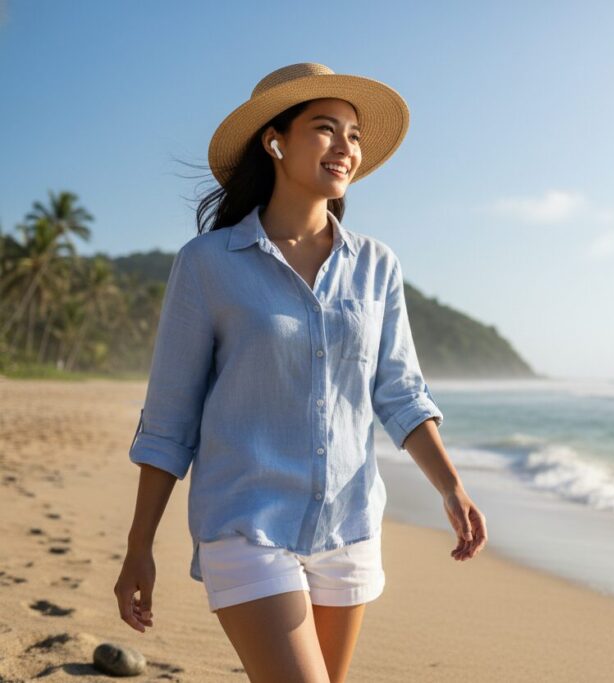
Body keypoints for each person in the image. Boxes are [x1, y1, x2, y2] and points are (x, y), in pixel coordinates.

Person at [113, 62, 488, 683]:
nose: (345, 147)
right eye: (325, 128)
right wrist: (138, 547)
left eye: (354, 134)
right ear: (275, 140)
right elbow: (170, 416)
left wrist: (452, 487)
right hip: (246, 522)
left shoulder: (376, 265)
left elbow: (398, 391)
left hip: (349, 524)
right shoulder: (208, 263)